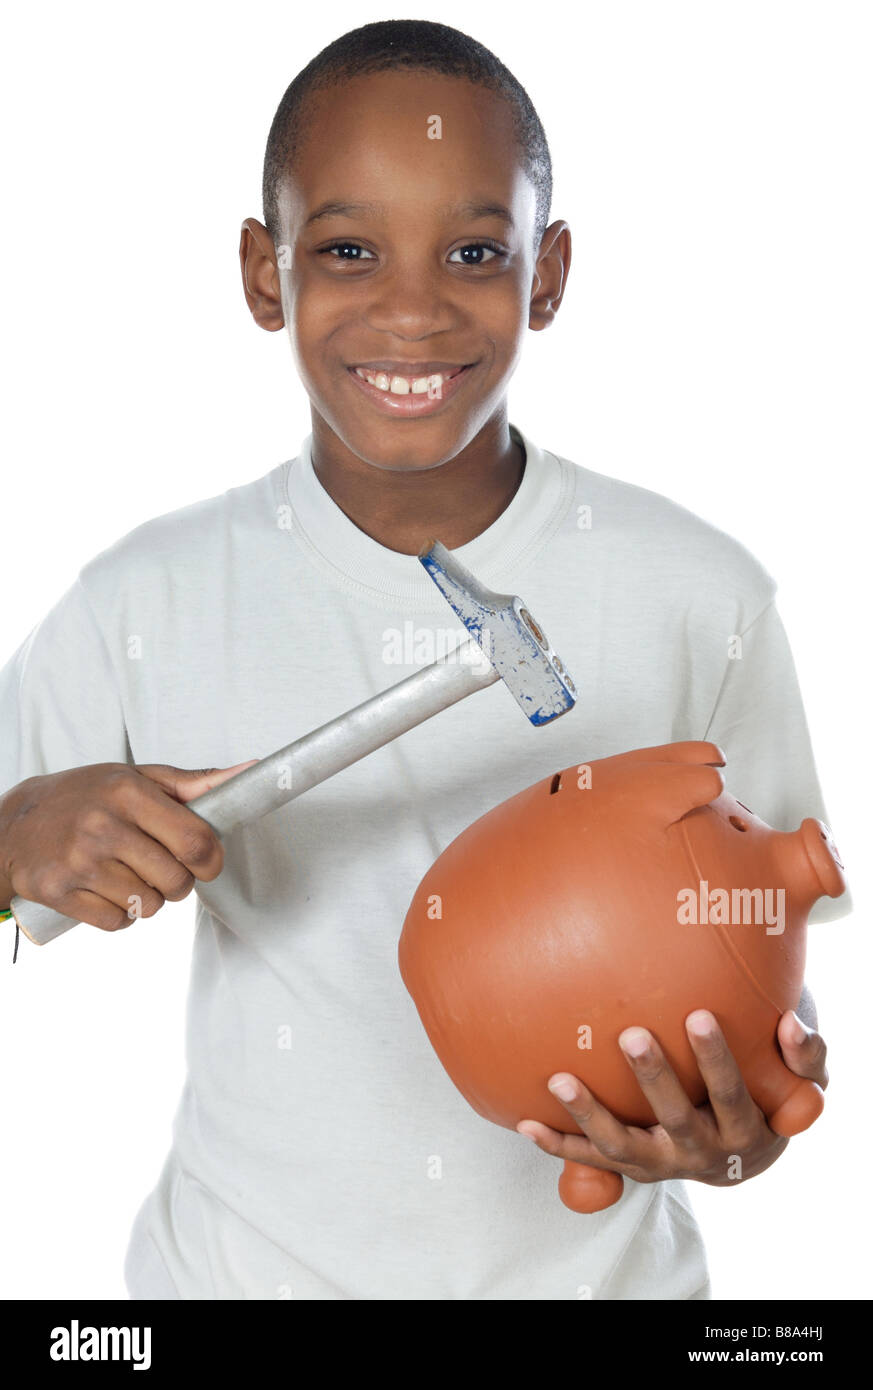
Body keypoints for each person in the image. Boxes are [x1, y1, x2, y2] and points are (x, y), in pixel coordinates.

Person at [0, 19, 849, 1300]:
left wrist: (752, 1122)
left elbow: (772, 966)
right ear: (262, 273)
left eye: (473, 252)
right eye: (347, 249)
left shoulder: (696, 594)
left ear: (548, 274)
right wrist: (11, 841)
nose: (411, 308)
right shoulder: (145, 600)